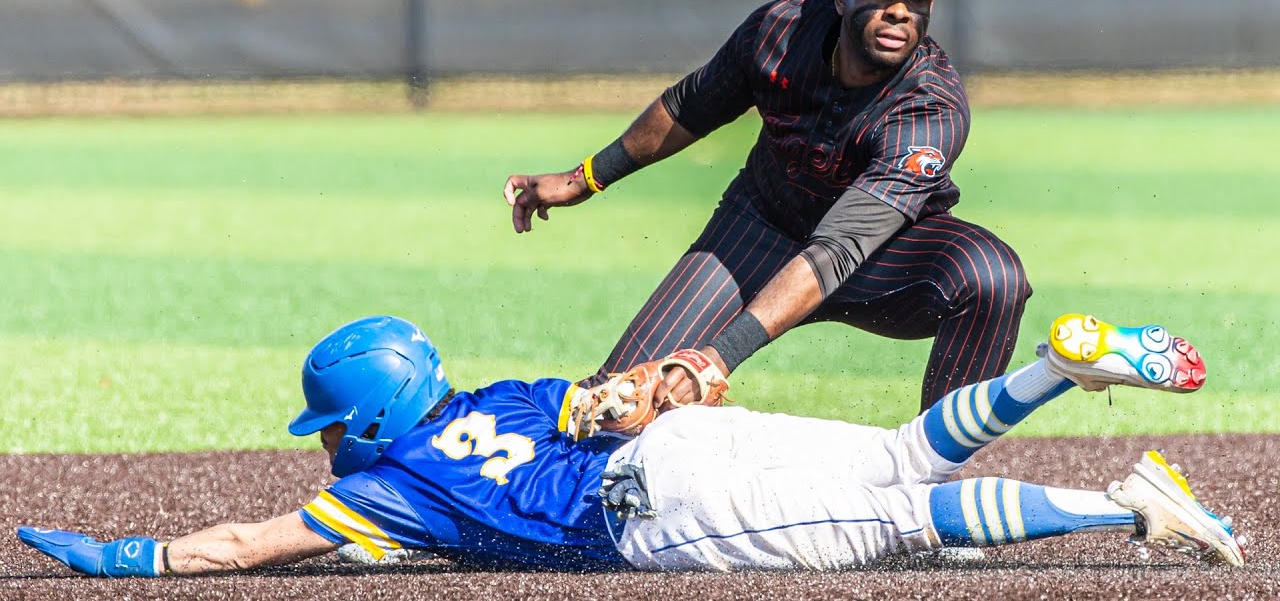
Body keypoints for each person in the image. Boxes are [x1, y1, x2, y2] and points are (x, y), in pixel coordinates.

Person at [17, 312, 1240, 576]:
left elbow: (245, 542)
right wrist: (664, 381)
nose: (328, 441)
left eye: (333, 420)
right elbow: (617, 402)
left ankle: (1129, 507)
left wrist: (128, 559)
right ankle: (1050, 369)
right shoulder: (493, 394)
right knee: (898, 461)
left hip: (660, 516)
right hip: (686, 442)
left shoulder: (393, 487)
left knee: (898, 522)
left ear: (372, 417)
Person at [503, 0, 1029, 412]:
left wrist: (715, 359)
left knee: (991, 278)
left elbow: (840, 249)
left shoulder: (931, 106)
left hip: (882, 259)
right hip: (759, 232)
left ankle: (937, 474)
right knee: (620, 399)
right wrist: (584, 179)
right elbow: (689, 106)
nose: (900, 10)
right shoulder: (782, 30)